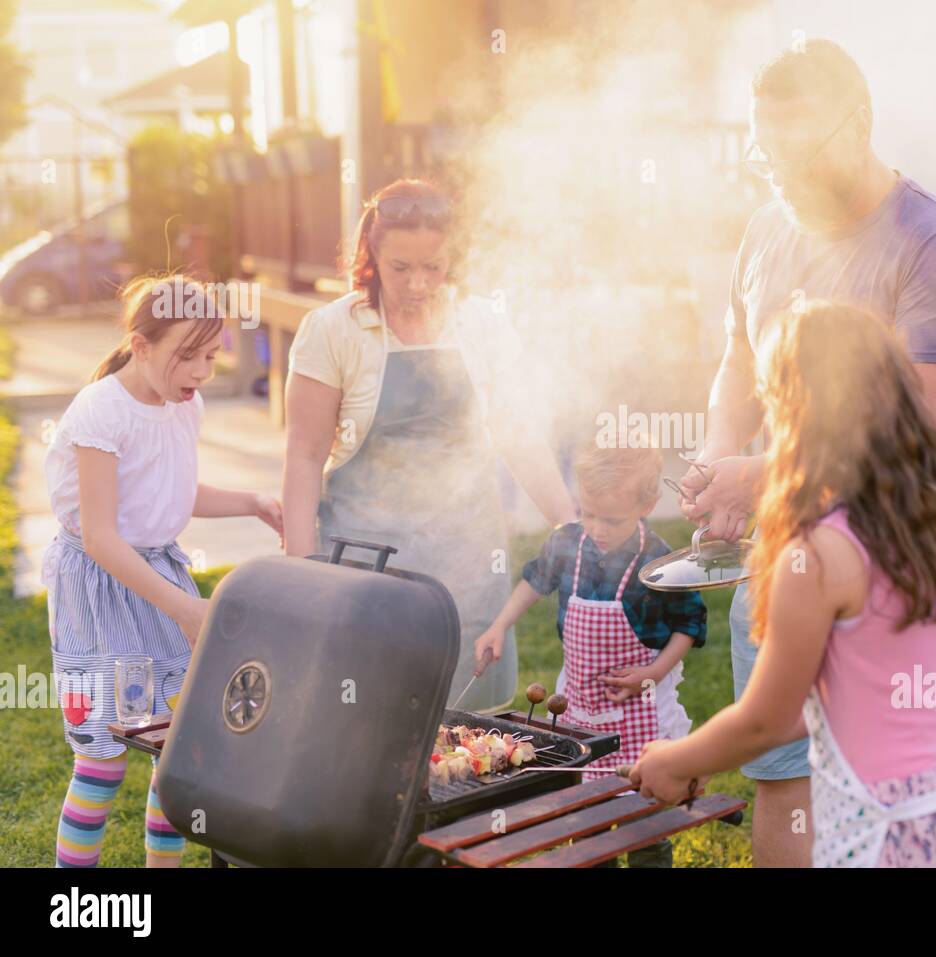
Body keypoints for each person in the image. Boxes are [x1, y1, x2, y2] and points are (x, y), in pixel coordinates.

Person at [676, 39, 936, 866]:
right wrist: (722, 458)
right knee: (784, 765)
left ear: (857, 125)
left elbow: (907, 435)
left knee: (899, 782)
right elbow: (739, 363)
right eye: (764, 152)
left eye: (795, 150)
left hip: (906, 559)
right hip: (789, 542)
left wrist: (753, 476)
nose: (777, 171)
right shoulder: (765, 229)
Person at [632, 302, 936, 868]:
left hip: (904, 829)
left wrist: (675, 760)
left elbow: (769, 719)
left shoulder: (818, 555)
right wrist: (710, 753)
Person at [282, 178, 575, 712]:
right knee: (368, 720)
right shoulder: (332, 330)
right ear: (372, 256)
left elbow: (516, 433)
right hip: (366, 569)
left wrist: (569, 525)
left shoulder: (481, 322)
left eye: (433, 267)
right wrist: (301, 570)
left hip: (467, 560)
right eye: (400, 268)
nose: (418, 283)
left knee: (471, 740)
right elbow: (304, 454)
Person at [43, 275, 283, 867]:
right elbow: (100, 536)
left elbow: (172, 488)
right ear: (142, 346)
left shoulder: (184, 404)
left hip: (157, 573)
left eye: (211, 355)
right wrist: (184, 606)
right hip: (100, 586)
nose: (201, 371)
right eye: (187, 356)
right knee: (102, 759)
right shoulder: (101, 410)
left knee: (178, 748)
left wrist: (250, 501)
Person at [476, 439, 706, 867]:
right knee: (587, 824)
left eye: (611, 519)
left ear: (648, 504)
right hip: (582, 706)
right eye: (588, 514)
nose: (596, 528)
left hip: (643, 711)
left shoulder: (658, 559)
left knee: (644, 824)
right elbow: (535, 581)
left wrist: (654, 671)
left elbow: (689, 624)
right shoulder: (568, 542)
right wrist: (498, 626)